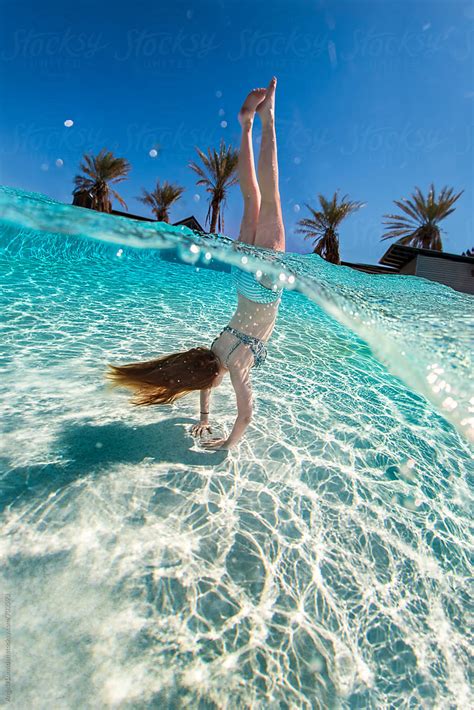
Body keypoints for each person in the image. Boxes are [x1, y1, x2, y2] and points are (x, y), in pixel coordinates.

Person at [107, 77, 286, 450]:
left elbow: (245, 415)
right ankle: (247, 125)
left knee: (269, 197)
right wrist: (203, 416)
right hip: (242, 278)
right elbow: (206, 382)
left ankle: (267, 119)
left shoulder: (231, 365)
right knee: (251, 196)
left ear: (207, 378)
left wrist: (227, 443)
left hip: (266, 285)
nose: (206, 392)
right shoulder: (213, 348)